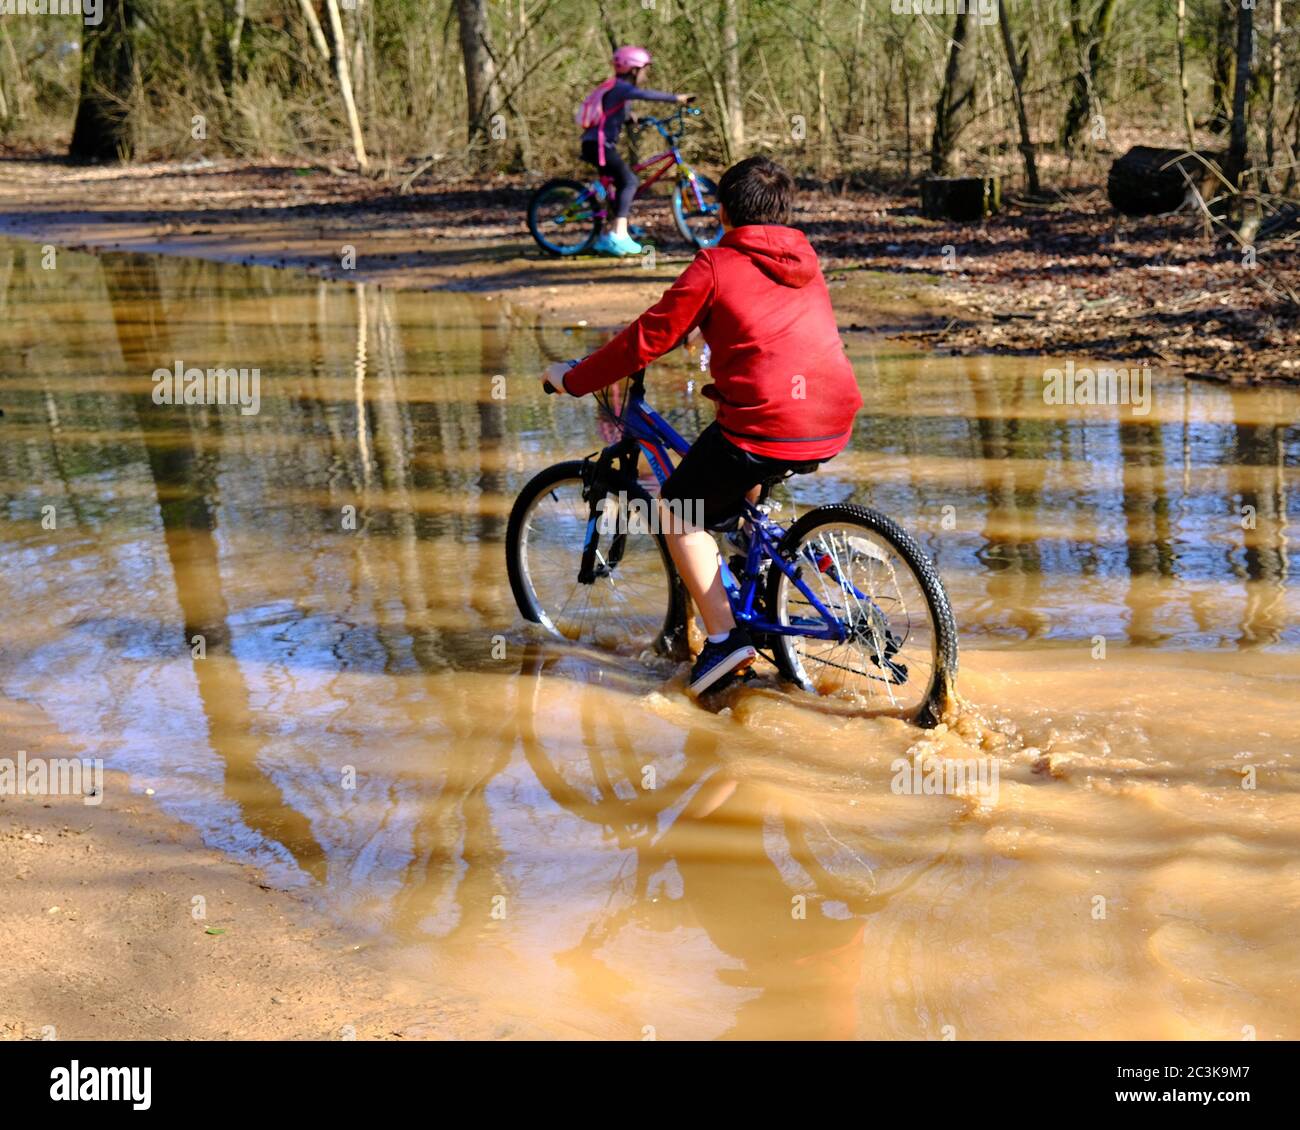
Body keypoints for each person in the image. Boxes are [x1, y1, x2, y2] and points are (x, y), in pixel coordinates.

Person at [542, 156, 864, 695]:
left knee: (679, 508)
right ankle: (759, 579)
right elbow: (772, 323)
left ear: (721, 210)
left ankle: (723, 642)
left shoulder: (715, 263)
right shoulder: (805, 258)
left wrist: (574, 378)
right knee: (735, 476)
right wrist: (707, 329)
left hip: (765, 424)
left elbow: (645, 338)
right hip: (832, 417)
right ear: (784, 210)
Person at [578, 45, 694, 257]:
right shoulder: (622, 88)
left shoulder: (616, 89)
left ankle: (606, 237)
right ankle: (619, 235)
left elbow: (613, 113)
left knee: (617, 186)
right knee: (630, 181)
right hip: (599, 146)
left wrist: (634, 119)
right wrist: (677, 99)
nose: (646, 74)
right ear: (633, 69)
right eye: (644, 70)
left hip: (596, 144)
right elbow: (645, 95)